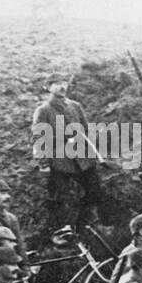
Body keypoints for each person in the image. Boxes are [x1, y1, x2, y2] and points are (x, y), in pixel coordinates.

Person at [32, 75, 102, 230]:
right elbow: (39, 138)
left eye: (64, 83)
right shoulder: (44, 110)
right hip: (60, 161)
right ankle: (63, 232)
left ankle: (86, 226)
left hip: (82, 159)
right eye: (57, 84)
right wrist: (44, 164)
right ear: (48, 87)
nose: (62, 86)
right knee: (63, 200)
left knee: (93, 190)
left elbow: (86, 129)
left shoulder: (75, 106)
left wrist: (93, 152)